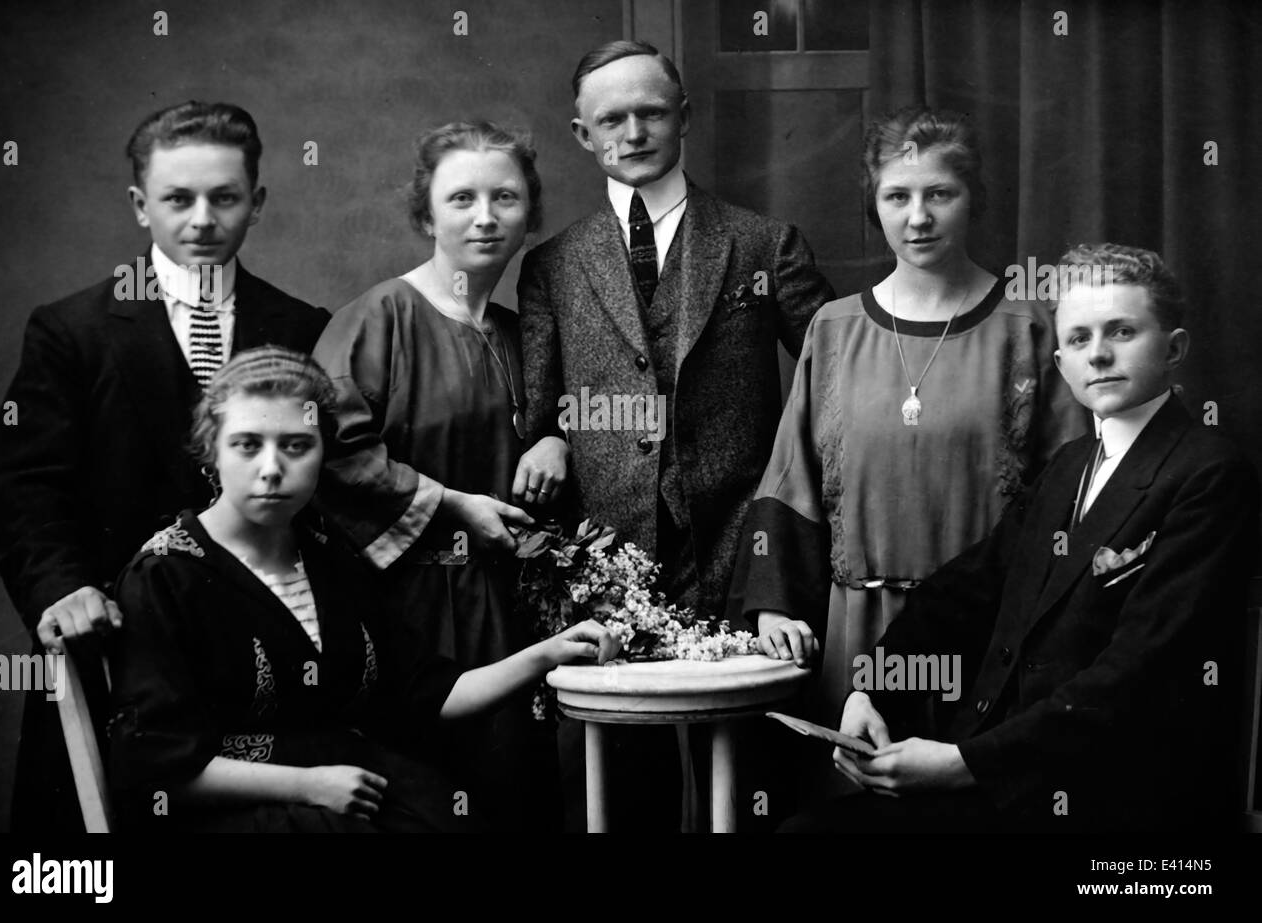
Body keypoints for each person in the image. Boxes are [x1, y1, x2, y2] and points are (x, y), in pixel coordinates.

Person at [782, 243, 1258, 832]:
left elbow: (1140, 674)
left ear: (1174, 347)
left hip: (1110, 800)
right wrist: (872, 692)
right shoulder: (1067, 468)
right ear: (1061, 365)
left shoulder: (1209, 474)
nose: (1100, 354)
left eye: (1123, 331)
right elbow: (962, 594)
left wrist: (963, 764)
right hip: (1004, 787)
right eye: (1080, 339)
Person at [0, 100, 331, 831]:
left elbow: (325, 489)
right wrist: (63, 590)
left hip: (258, 660)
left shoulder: (304, 328)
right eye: (178, 199)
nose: (202, 219)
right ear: (141, 206)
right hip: (117, 643)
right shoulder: (73, 331)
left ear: (258, 203)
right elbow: (28, 488)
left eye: (225, 197)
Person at [729, 106, 1084, 811]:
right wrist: (769, 605)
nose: (918, 216)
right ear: (875, 205)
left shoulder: (1029, 328)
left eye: (938, 194)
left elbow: (1069, 498)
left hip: (987, 640)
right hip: (857, 641)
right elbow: (790, 481)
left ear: (972, 199)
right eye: (898, 196)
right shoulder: (834, 330)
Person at [518, 41, 833, 830]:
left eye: (651, 112)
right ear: (582, 134)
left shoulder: (763, 244)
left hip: (743, 561)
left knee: (760, 782)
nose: (633, 131)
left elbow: (839, 382)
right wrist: (553, 434)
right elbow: (539, 409)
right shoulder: (552, 265)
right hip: (613, 571)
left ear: (684, 116)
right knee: (627, 795)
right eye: (610, 119)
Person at [109, 347, 620, 832]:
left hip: (348, 791)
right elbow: (156, 766)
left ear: (322, 453)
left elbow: (423, 694)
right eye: (247, 445)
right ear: (210, 454)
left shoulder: (328, 553)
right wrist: (307, 785)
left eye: (296, 445)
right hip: (232, 816)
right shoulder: (165, 574)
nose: (271, 469)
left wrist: (547, 654)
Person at [311, 121, 565, 830]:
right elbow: (328, 453)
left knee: (518, 796)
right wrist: (451, 503)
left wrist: (556, 438)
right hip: (406, 608)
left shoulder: (523, 333)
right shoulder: (377, 318)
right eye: (462, 199)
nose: (485, 217)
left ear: (529, 213)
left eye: (505, 198)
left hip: (511, 608)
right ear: (426, 214)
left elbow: (555, 426)